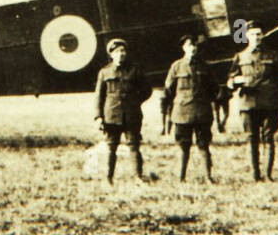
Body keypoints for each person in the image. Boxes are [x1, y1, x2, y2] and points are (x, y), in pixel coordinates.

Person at [226, 22, 278, 181]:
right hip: (248, 103)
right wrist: (233, 82)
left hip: (270, 103)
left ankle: (268, 174)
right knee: (252, 138)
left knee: (269, 138)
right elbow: (230, 79)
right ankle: (255, 174)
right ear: (247, 36)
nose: (257, 37)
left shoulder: (272, 55)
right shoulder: (240, 57)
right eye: (253, 34)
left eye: (259, 34)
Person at [93, 37, 153, 183]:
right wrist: (98, 117)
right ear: (111, 54)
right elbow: (98, 97)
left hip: (132, 115)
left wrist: (135, 102)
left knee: (134, 146)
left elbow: (147, 90)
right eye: (117, 51)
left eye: (123, 51)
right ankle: (109, 178)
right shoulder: (105, 73)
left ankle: (137, 176)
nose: (121, 54)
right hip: (112, 116)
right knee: (111, 147)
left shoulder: (134, 70)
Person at [161, 35, 217, 182]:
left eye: (195, 46)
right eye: (189, 45)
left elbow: (214, 89)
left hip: (202, 113)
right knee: (183, 147)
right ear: (184, 48)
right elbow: (169, 90)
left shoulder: (205, 66)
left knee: (204, 146)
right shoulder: (176, 66)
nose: (193, 48)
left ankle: (208, 177)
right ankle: (181, 177)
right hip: (182, 114)